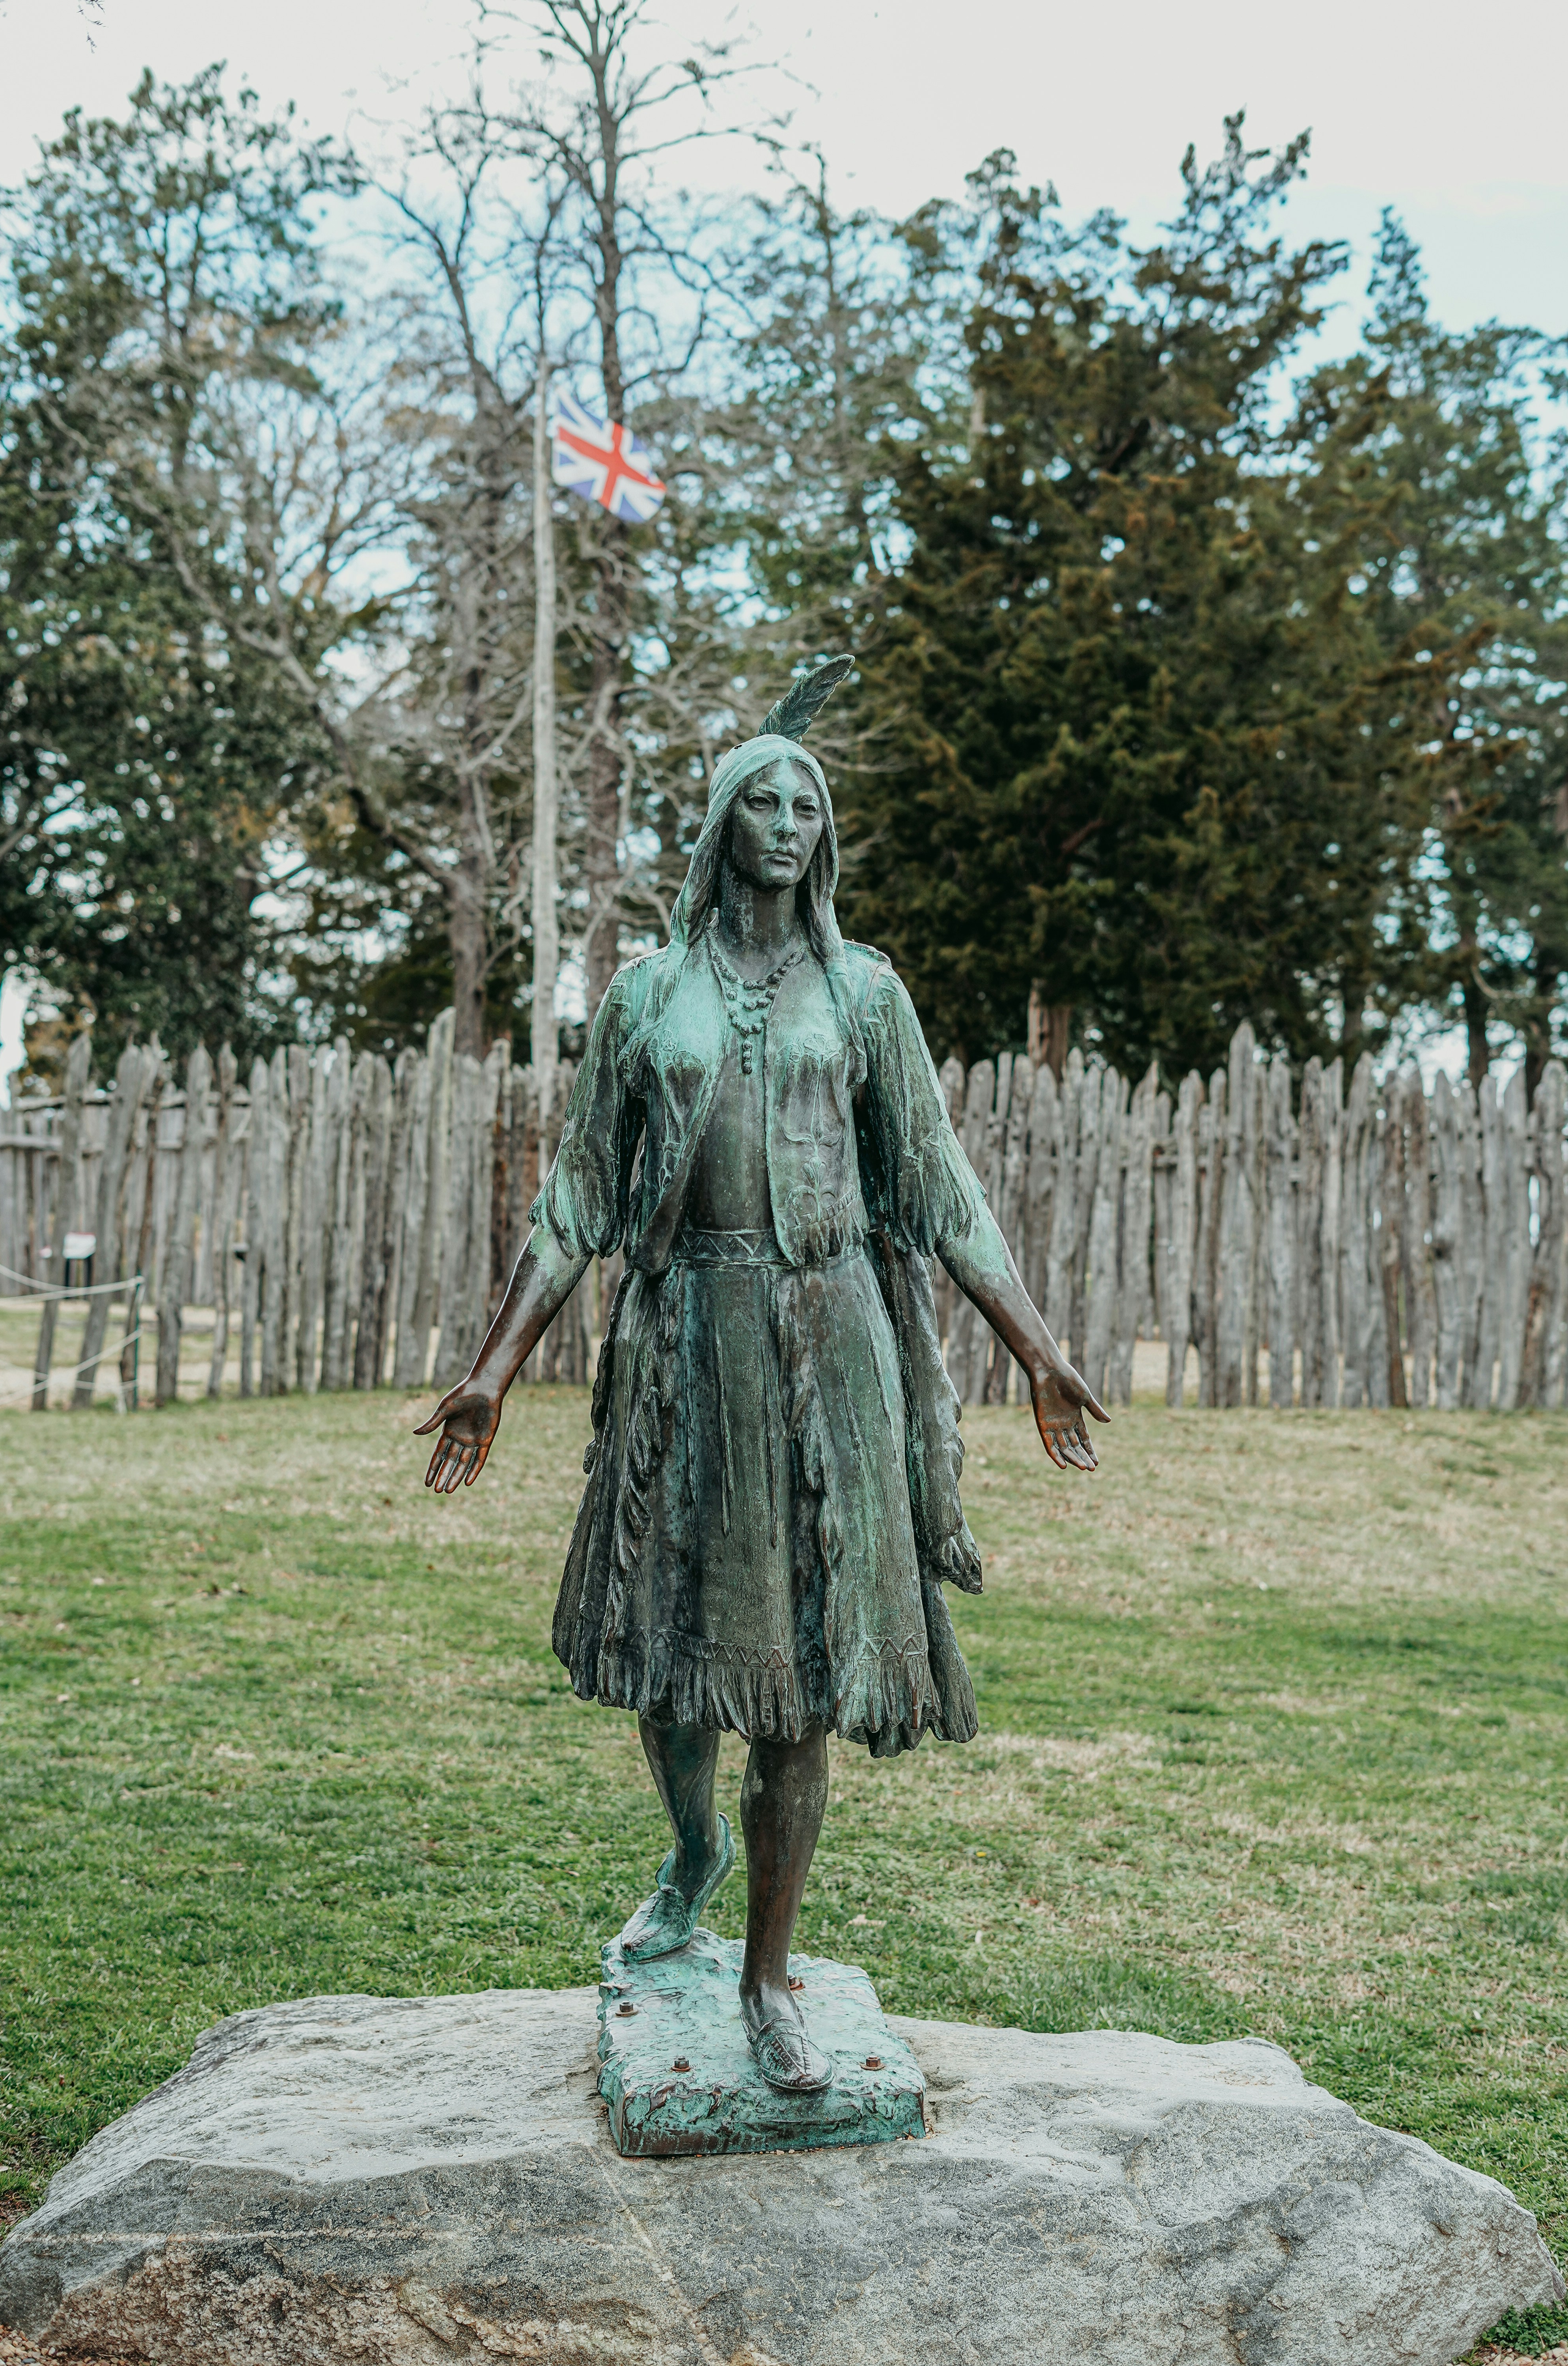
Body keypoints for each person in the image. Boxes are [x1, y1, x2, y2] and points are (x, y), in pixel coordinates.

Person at [418, 657, 1105, 2095]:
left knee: (797, 1687)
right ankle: (693, 1845)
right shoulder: (649, 994)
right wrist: (492, 1369)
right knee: (676, 1664)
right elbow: (578, 1202)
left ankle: (769, 1976)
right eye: (764, 799)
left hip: (830, 1345)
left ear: (823, 834)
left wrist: (1036, 1347)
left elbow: (942, 1187)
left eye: (809, 804)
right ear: (722, 820)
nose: (788, 822)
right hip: (686, 1341)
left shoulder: (864, 993)